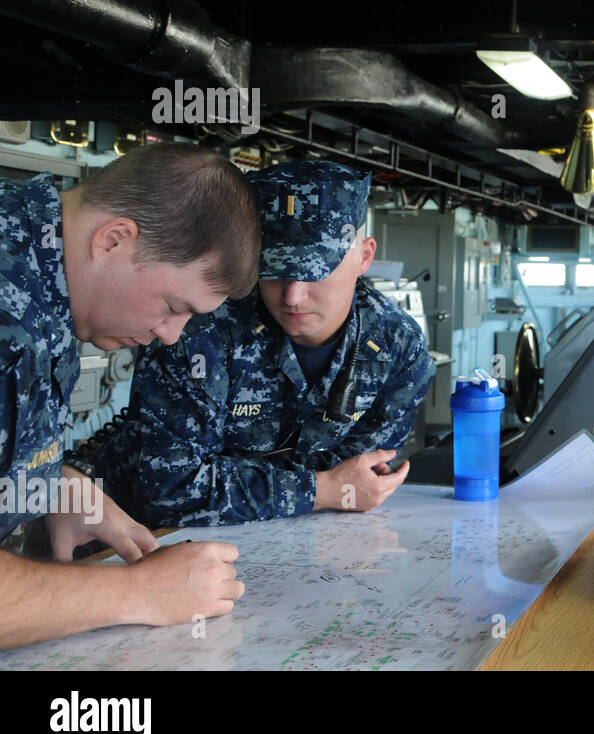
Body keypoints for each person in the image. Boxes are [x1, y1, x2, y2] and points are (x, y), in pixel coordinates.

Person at [70, 160, 435, 526]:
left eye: (315, 273)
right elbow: (171, 490)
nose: (293, 296)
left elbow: (359, 479)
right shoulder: (201, 326)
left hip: (293, 544)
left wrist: (317, 488)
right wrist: (320, 489)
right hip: (134, 539)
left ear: (365, 257)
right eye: (273, 270)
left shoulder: (397, 349)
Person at [0, 142, 256, 649]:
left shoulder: (48, 280)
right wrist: (137, 592)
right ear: (114, 239)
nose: (171, 335)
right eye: (171, 306)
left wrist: (48, 482)